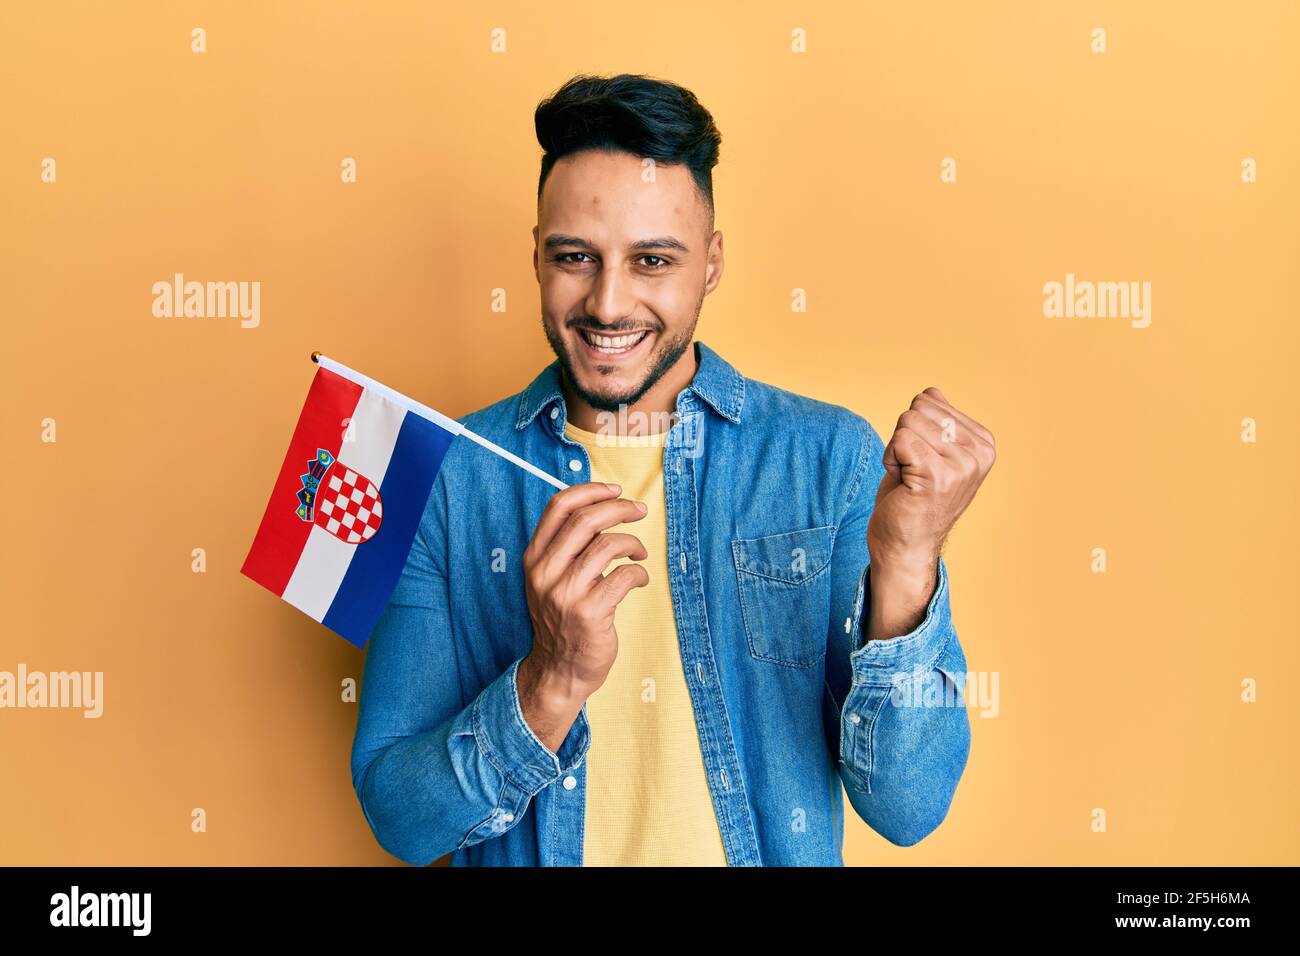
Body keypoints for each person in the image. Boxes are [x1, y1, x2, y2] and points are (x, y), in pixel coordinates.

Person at [350, 73, 996, 866]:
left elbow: (908, 805)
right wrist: (549, 681)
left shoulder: (827, 460)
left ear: (712, 263)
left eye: (652, 259)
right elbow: (401, 820)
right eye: (576, 257)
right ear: (537, 259)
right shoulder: (448, 478)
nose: (609, 303)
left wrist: (905, 566)